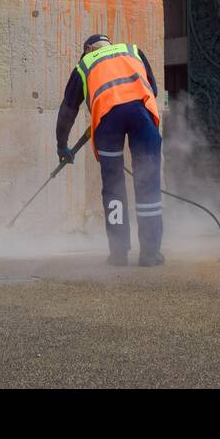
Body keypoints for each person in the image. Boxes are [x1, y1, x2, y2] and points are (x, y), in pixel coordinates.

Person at [56, 34, 164, 266]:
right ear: (110, 45)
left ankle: (118, 253)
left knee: (114, 188)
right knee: (148, 185)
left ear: (87, 48)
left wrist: (62, 145)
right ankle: (150, 254)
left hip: (107, 123)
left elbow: (68, 110)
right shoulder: (132, 50)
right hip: (141, 116)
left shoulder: (85, 64)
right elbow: (152, 89)